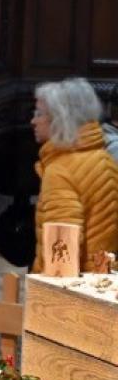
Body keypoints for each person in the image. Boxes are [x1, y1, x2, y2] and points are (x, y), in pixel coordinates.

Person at [31, 78, 118, 272]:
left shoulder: (61, 171)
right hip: (102, 281)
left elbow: (61, 254)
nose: (33, 121)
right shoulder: (104, 160)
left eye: (39, 114)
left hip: (71, 292)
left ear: (60, 118)